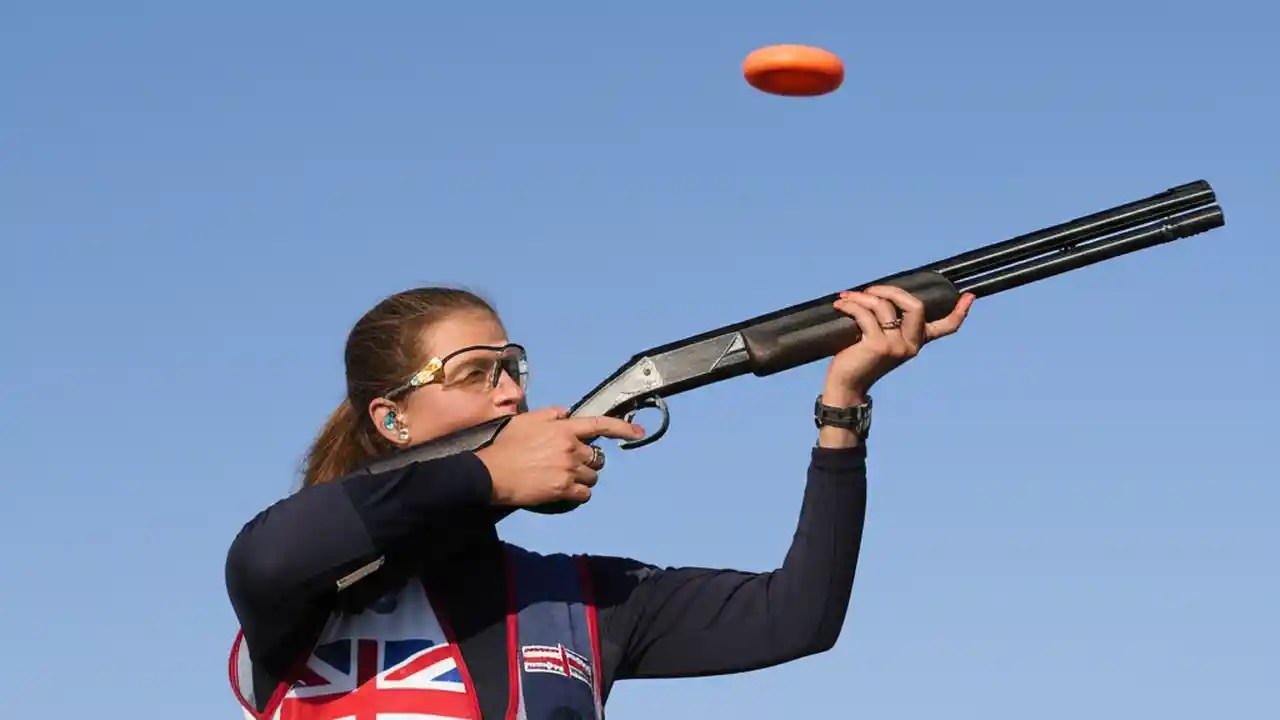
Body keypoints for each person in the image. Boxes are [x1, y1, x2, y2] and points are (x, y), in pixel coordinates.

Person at [224, 284, 974, 719]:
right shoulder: (310, 592)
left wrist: (843, 407)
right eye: (477, 373)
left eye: (513, 368)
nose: (512, 393)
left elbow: (796, 617)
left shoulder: (574, 599)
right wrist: (488, 477)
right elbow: (269, 555)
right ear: (393, 420)